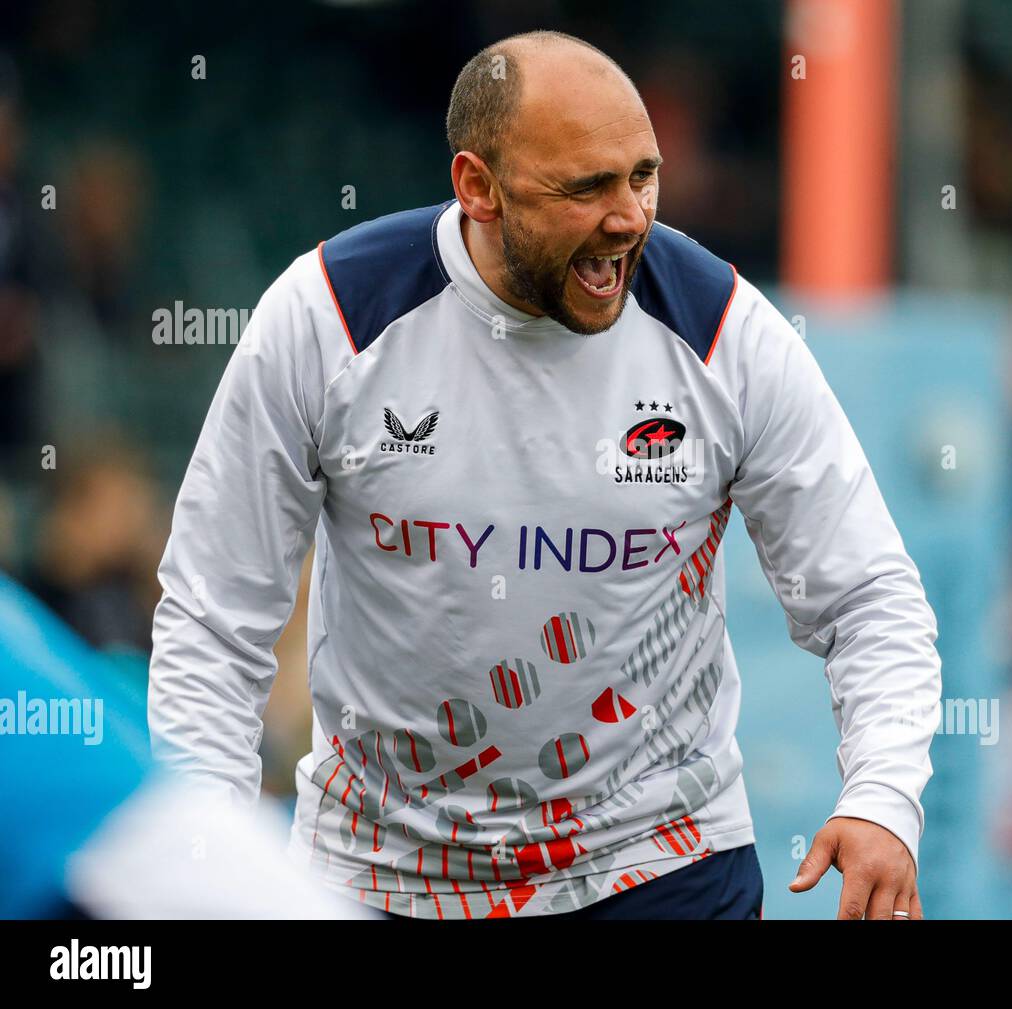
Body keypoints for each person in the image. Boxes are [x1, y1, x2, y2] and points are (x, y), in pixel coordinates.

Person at [147, 29, 942, 920]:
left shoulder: (723, 328)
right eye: (586, 187)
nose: (631, 217)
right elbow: (215, 619)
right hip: (381, 876)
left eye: (642, 175)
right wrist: (198, 864)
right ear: (476, 187)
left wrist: (882, 795)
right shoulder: (327, 313)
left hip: (657, 867)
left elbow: (869, 595)